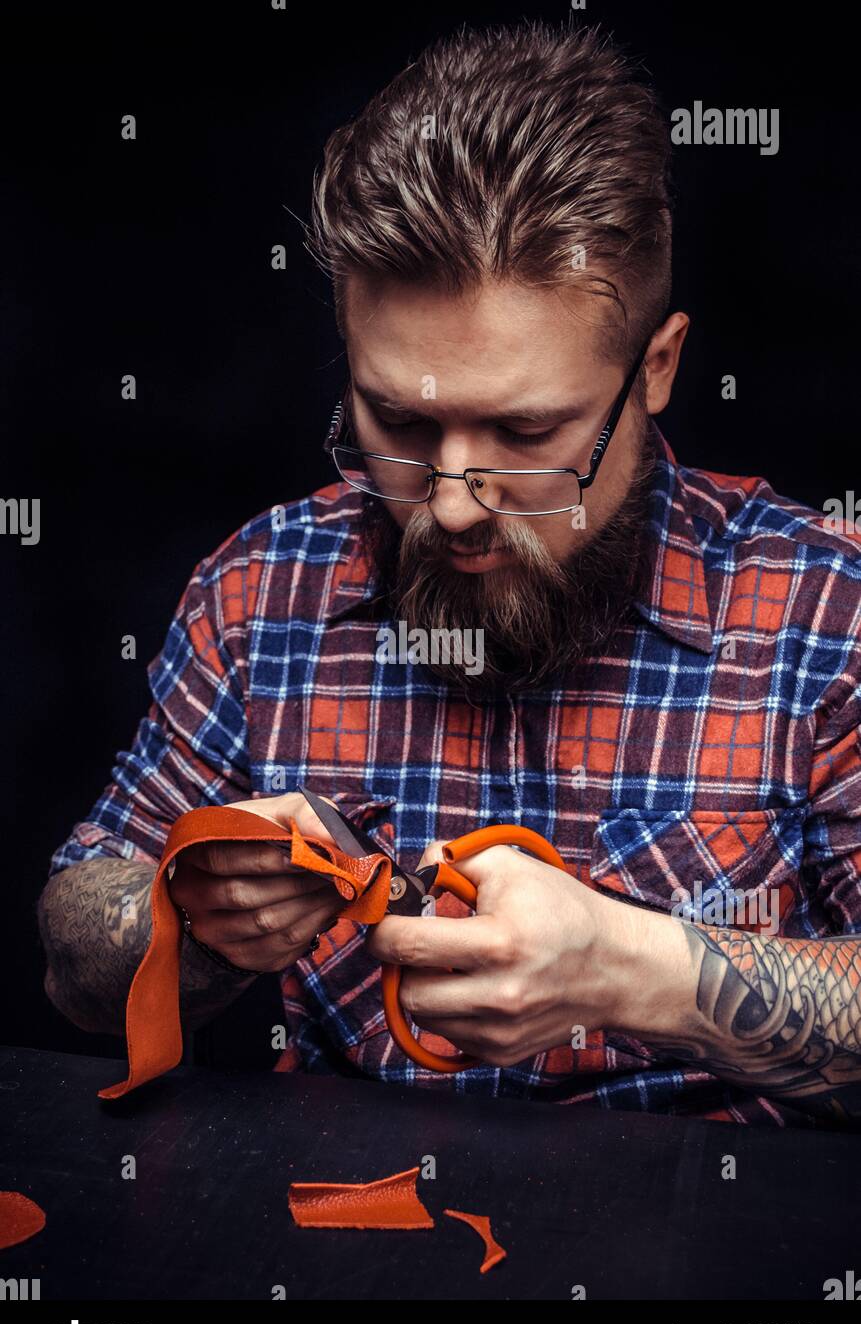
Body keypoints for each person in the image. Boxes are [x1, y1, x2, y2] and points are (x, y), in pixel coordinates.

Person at [38, 20, 861, 1126]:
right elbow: (75, 968)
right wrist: (190, 921)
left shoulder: (823, 611)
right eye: (401, 421)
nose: (456, 500)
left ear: (655, 369)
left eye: (528, 433)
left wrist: (635, 968)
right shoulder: (261, 596)